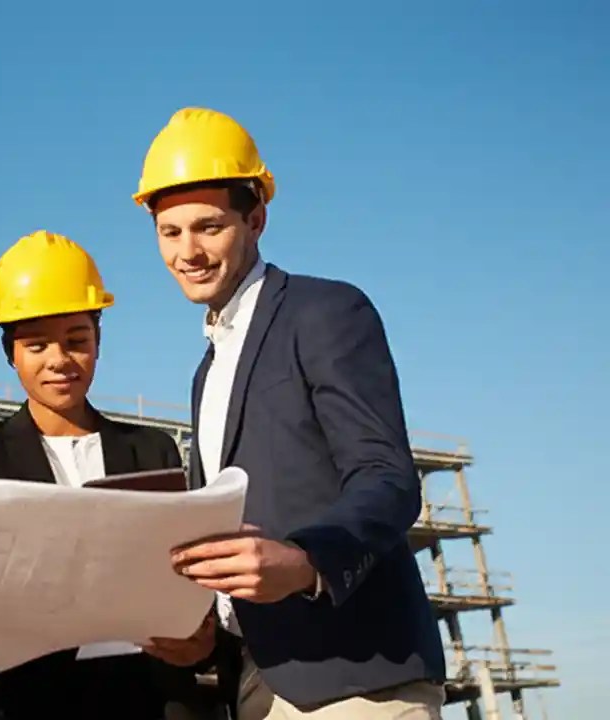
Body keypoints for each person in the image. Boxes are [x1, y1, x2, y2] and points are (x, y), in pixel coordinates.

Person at [129, 107, 446, 719]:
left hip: (356, 682)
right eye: (170, 232)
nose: (187, 252)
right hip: (262, 686)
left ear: (257, 218)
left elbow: (386, 476)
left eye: (208, 227)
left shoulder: (324, 312)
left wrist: (306, 563)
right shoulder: (207, 370)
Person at [0, 230, 224, 720]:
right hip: (22, 702)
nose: (59, 360)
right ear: (10, 352)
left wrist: (199, 639)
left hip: (149, 699)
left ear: (98, 341)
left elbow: (186, 578)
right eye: (36, 345)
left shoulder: (152, 451)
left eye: (77, 340)